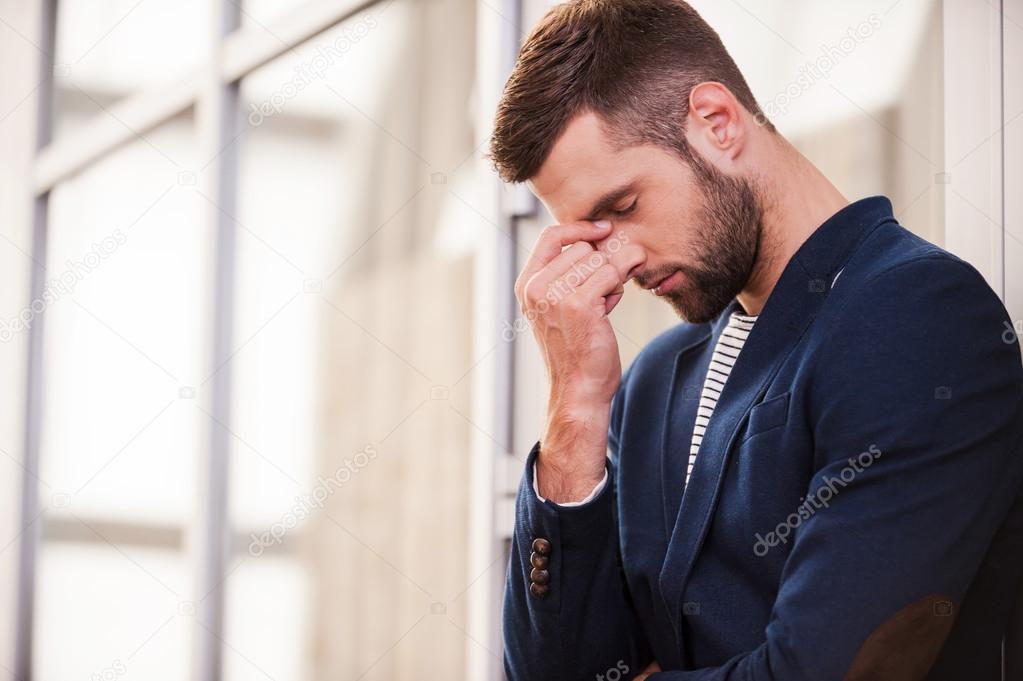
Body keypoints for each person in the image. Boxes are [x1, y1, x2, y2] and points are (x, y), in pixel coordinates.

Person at [487, 1, 1023, 679]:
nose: (617, 260)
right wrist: (574, 406)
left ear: (716, 123)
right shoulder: (651, 381)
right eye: (588, 234)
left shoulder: (915, 316)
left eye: (621, 209)